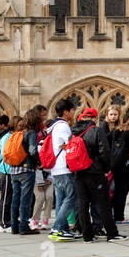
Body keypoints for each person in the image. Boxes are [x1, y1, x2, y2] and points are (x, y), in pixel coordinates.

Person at [74, 107, 123, 242]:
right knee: (103, 203)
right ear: (95, 118)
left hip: (78, 172)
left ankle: (87, 235)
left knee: (83, 204)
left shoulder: (75, 131)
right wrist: (106, 168)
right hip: (95, 172)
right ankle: (112, 233)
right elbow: (104, 152)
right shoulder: (96, 130)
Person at [46, 100, 80, 242]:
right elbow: (72, 145)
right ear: (66, 112)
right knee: (72, 197)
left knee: (61, 198)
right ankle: (57, 227)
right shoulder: (63, 126)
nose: (74, 113)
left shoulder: (53, 126)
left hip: (56, 168)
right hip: (64, 167)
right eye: (72, 110)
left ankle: (63, 229)